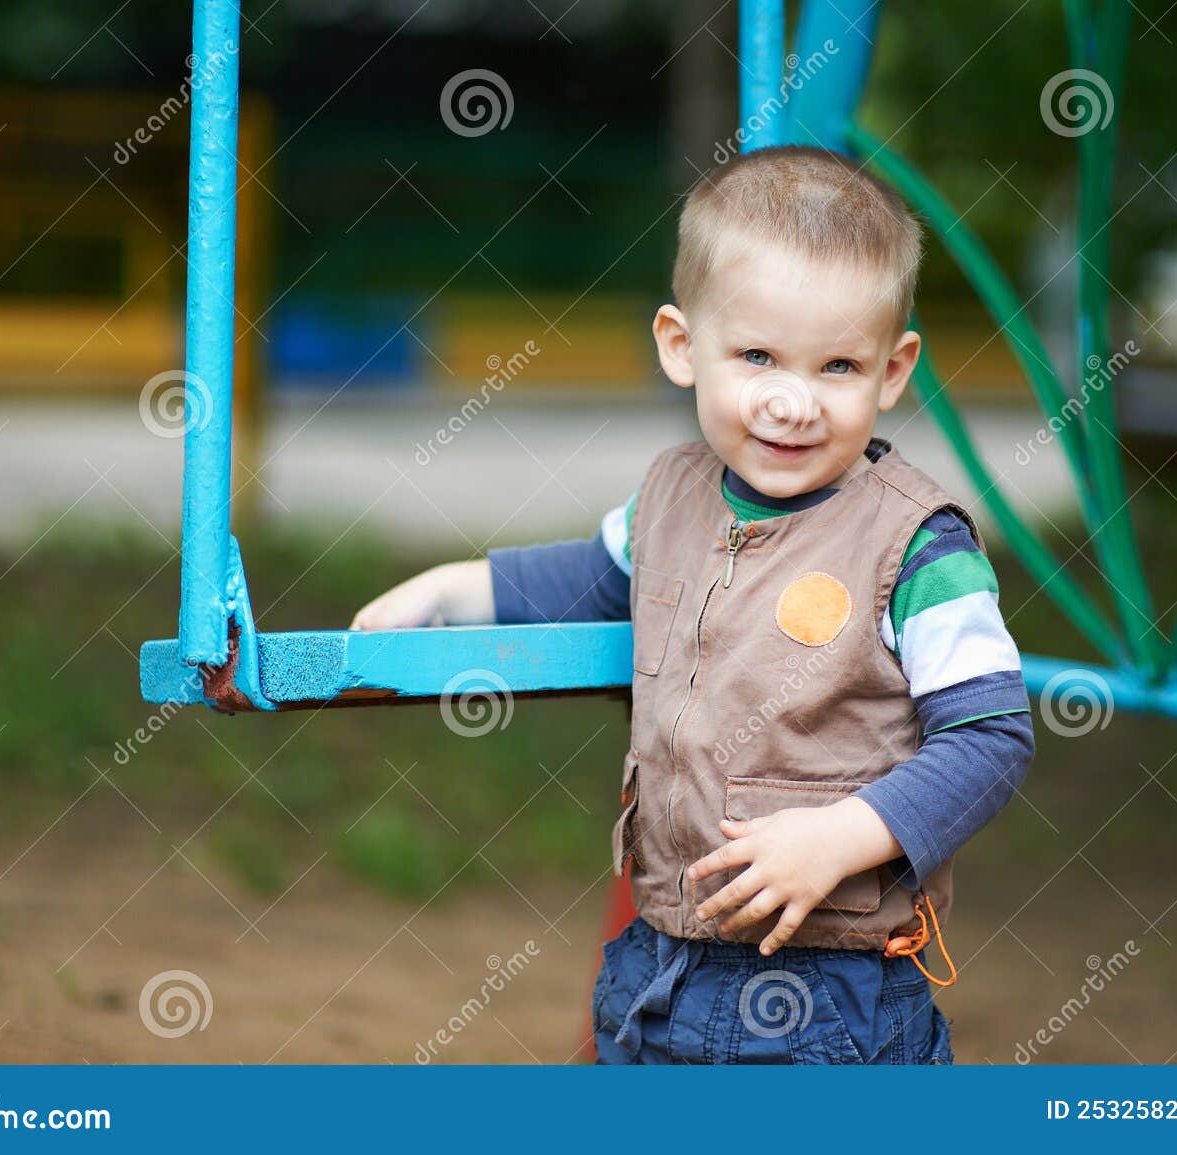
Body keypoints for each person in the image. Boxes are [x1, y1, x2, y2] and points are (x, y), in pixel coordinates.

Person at [350, 145, 1034, 1064]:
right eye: (757, 355)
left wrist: (841, 836)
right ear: (681, 346)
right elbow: (584, 579)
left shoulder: (918, 549)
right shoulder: (672, 499)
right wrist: (448, 587)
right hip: (662, 964)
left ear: (893, 370)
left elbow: (991, 738)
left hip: (831, 988)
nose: (792, 401)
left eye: (837, 366)